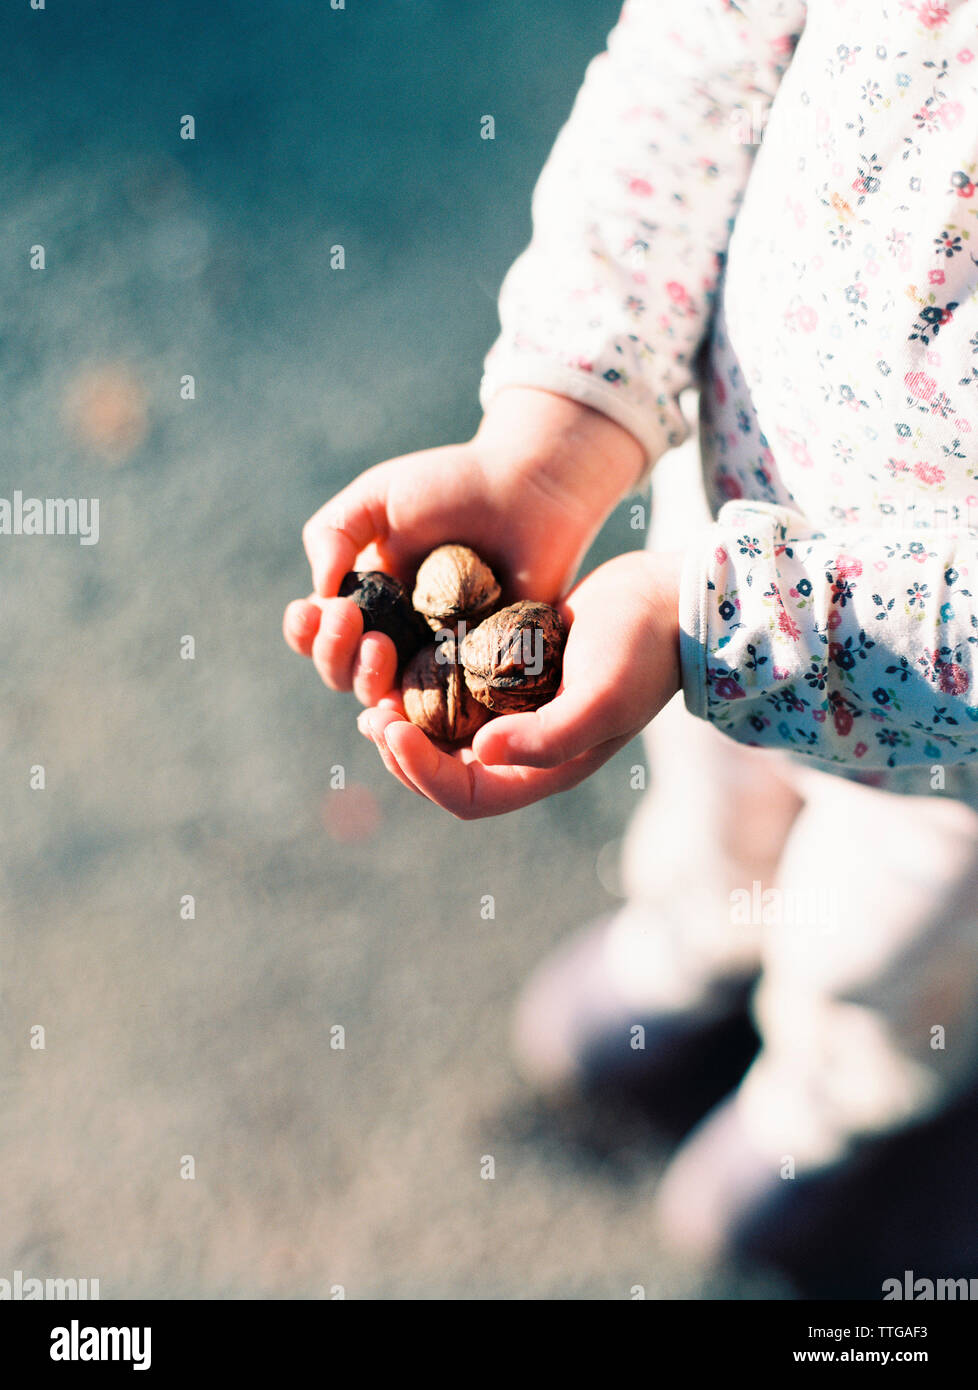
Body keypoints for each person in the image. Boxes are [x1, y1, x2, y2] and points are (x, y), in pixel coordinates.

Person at [284, 0, 978, 1291]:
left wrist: (714, 625)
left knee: (889, 945)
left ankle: (832, 1109)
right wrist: (559, 431)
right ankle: (698, 938)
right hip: (712, 536)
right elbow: (701, 47)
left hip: (949, 759)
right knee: (710, 796)